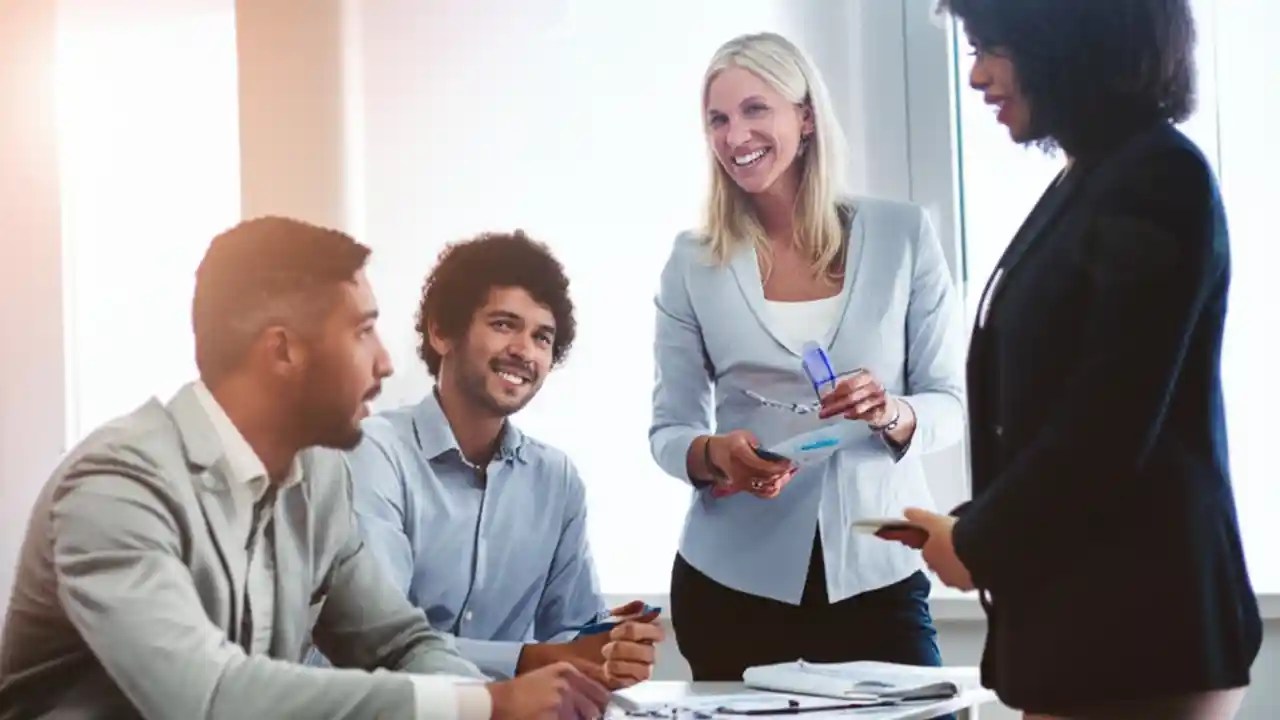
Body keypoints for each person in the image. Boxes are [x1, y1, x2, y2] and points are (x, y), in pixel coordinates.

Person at [0, 217, 610, 720]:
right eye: (363, 332)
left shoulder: (316, 480)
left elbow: (399, 644)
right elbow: (209, 698)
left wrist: (502, 709)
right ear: (283, 350)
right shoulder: (116, 486)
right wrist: (485, 705)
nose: (386, 362)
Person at [899, 2, 1263, 718]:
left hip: (1143, 633)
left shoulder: (1157, 176)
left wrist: (978, 541)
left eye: (991, 48)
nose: (977, 77)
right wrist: (973, 526)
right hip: (1085, 630)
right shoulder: (1093, 177)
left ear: (1068, 39)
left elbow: (1109, 421)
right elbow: (1057, 415)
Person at [648, 31, 968, 681]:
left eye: (755, 109)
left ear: (806, 116)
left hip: (876, 574)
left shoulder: (903, 235)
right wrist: (717, 455)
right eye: (718, 119)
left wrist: (891, 411)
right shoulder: (692, 260)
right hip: (733, 582)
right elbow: (668, 431)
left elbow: (949, 404)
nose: (735, 135)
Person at [336, 230, 663, 685]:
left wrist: (609, 647)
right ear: (441, 332)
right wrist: (534, 659)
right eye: (504, 325)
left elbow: (569, 634)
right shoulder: (374, 453)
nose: (524, 351)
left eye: (542, 337)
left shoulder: (556, 479)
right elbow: (377, 641)